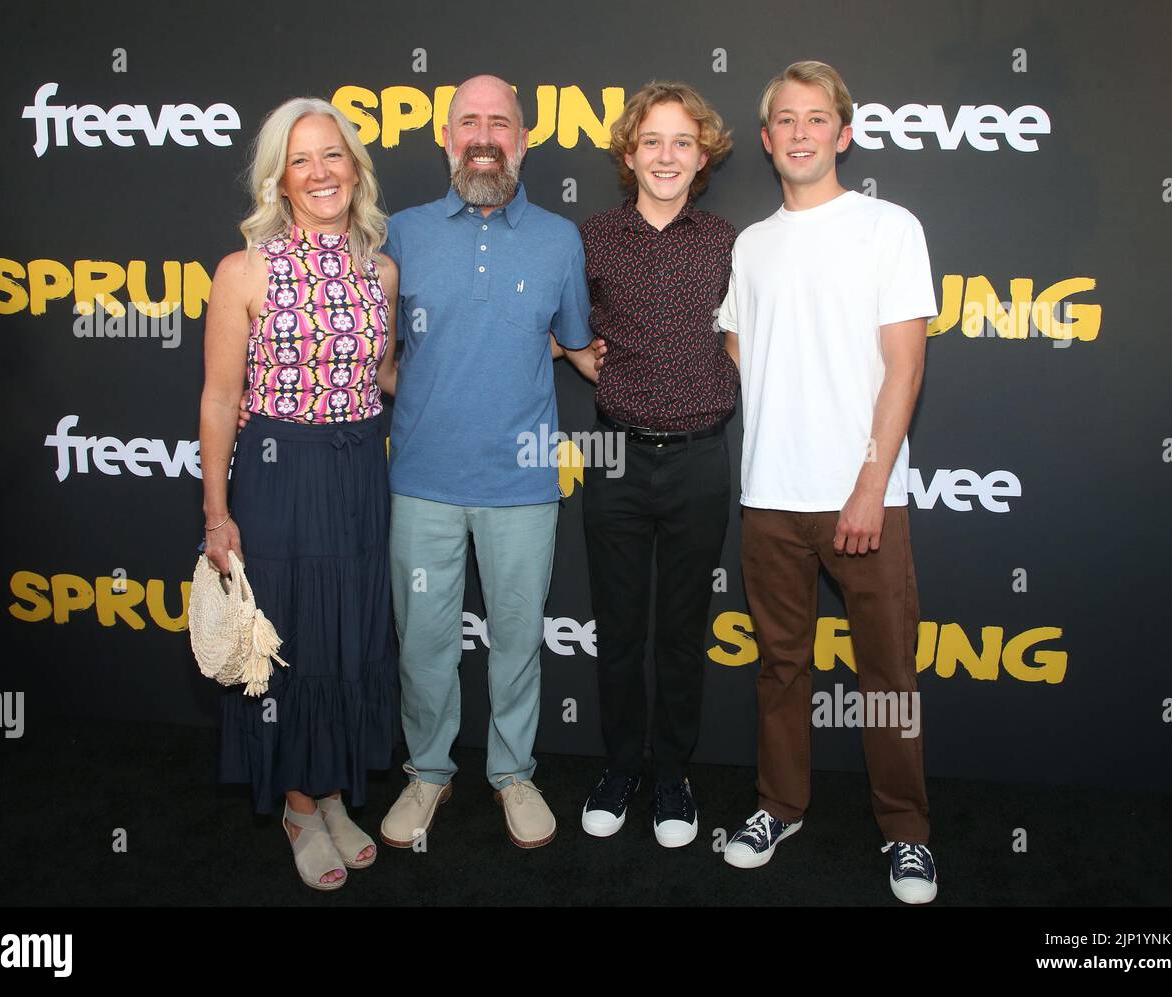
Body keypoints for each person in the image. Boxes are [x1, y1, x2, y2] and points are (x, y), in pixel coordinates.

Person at [717, 61, 940, 903]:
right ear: (769, 139)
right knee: (781, 667)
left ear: (842, 134)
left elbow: (905, 364)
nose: (801, 133)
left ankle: (907, 831)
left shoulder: (890, 228)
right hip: (769, 496)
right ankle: (780, 805)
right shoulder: (750, 245)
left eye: (817, 119)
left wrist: (868, 484)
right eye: (786, 120)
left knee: (887, 675)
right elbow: (739, 352)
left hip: (866, 499)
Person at [375, 75, 594, 850]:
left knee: (516, 637)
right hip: (423, 482)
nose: (484, 136)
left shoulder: (560, 239)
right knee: (424, 639)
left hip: (523, 484)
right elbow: (379, 357)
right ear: (445, 136)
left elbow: (576, 346)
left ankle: (513, 771)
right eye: (469, 121)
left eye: (500, 123)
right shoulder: (402, 233)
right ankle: (428, 771)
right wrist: (433, 397)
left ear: (524, 139)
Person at [199, 97, 398, 891]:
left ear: (355, 168)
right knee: (286, 644)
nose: (320, 173)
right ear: (280, 180)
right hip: (280, 474)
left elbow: (384, 378)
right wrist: (217, 511)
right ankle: (295, 804)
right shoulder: (243, 270)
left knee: (348, 636)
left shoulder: (380, 268)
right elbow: (218, 398)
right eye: (301, 160)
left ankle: (333, 790)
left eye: (333, 156)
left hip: (359, 475)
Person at [558, 82, 736, 847]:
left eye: (682, 143)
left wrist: (714, 378)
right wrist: (597, 367)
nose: (667, 155)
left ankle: (673, 775)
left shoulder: (731, 240)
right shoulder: (589, 237)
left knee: (681, 629)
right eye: (653, 141)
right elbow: (556, 322)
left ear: (703, 157)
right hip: (615, 454)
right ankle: (621, 765)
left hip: (700, 459)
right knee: (622, 625)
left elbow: (745, 337)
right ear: (629, 154)